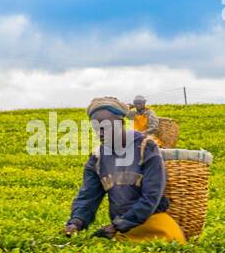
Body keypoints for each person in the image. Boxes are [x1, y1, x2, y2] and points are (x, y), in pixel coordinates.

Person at [63, 97, 185, 243]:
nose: (100, 133)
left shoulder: (146, 147)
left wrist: (118, 225)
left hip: (157, 228)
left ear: (121, 123)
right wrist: (76, 222)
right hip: (123, 232)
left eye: (106, 127)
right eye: (96, 128)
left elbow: (152, 195)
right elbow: (88, 195)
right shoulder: (98, 158)